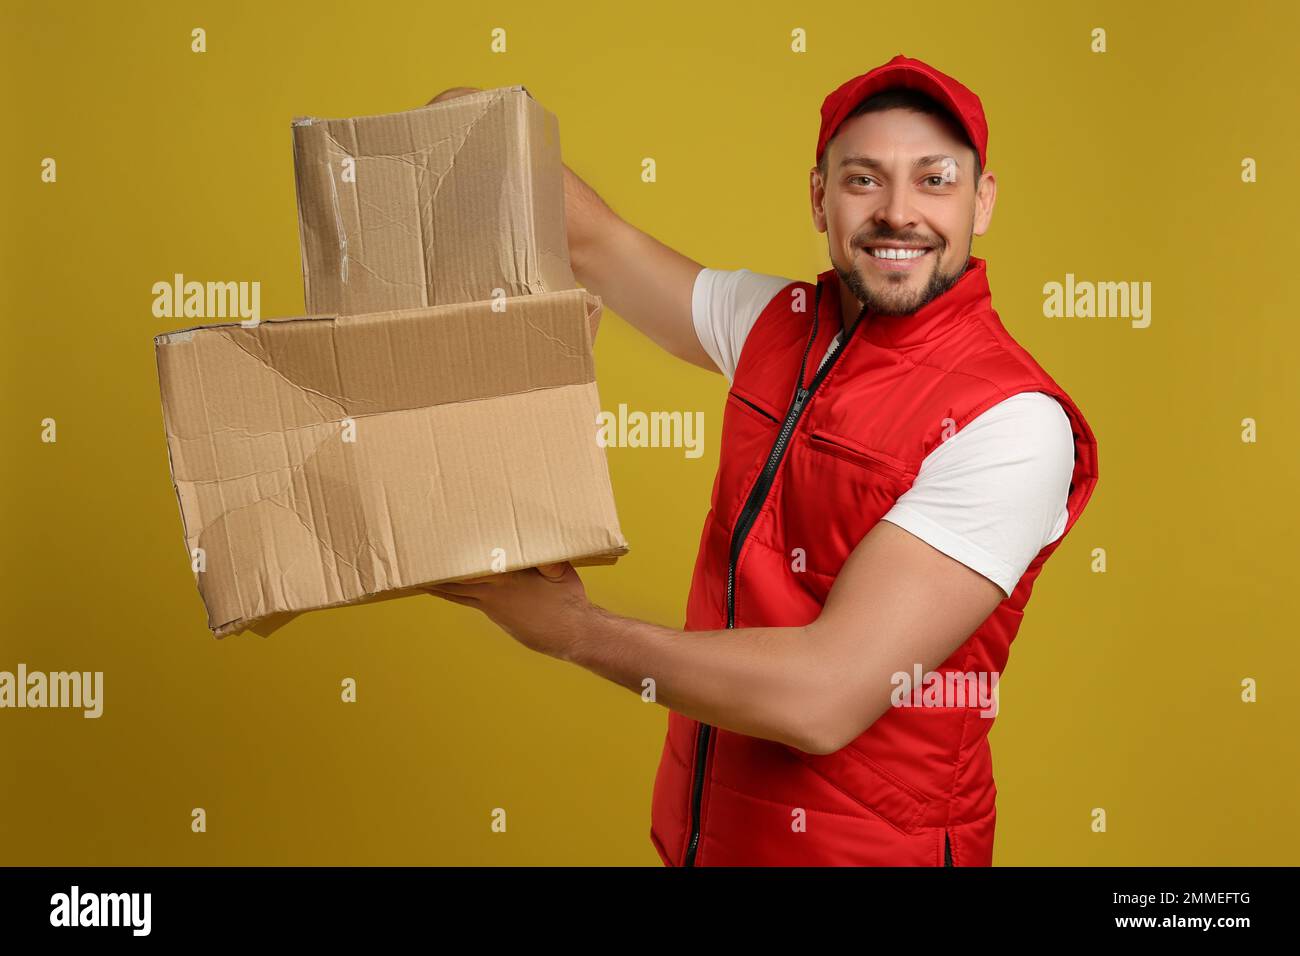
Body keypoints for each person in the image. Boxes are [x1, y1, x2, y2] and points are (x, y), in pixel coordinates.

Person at [426, 54, 1099, 866]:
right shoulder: (777, 324)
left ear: (980, 201)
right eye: (863, 180)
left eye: (934, 180)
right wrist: (479, 123)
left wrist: (574, 632)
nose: (898, 213)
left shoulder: (1012, 422)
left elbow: (824, 695)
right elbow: (595, 245)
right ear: (819, 197)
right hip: (709, 842)